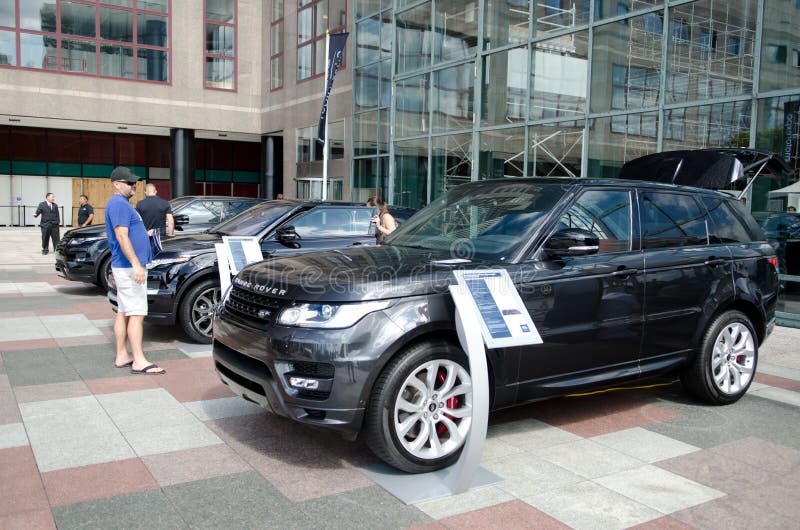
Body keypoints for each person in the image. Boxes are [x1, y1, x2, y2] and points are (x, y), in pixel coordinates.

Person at [106, 166, 165, 375]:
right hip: (129, 268)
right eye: (129, 183)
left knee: (124, 312)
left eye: (135, 182)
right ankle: (139, 360)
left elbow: (126, 233)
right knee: (137, 314)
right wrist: (136, 264)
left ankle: (122, 355)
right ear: (116, 184)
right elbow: (121, 235)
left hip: (125, 267)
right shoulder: (119, 204)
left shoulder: (121, 204)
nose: (134, 186)